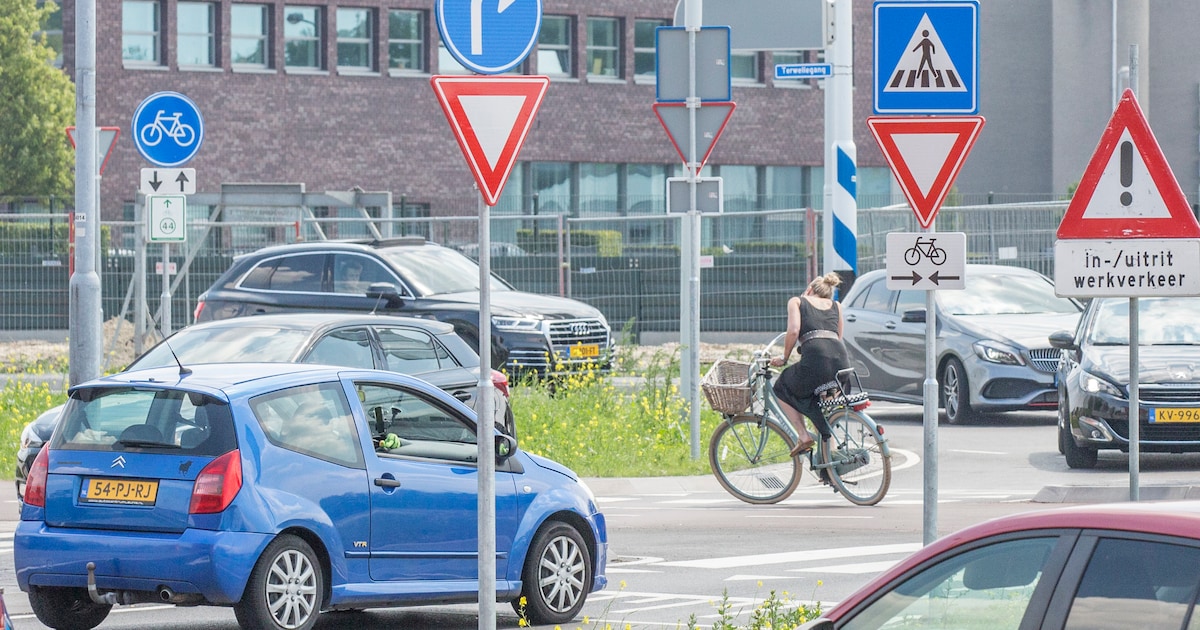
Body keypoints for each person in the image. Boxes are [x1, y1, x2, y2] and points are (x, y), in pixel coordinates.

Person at [769, 272, 852, 458]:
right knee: (823, 411)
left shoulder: (797, 301)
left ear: (809, 289)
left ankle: (803, 435)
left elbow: (793, 330)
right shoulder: (836, 306)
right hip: (841, 363)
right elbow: (837, 337)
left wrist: (784, 357)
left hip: (817, 360)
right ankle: (830, 466)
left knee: (781, 386)